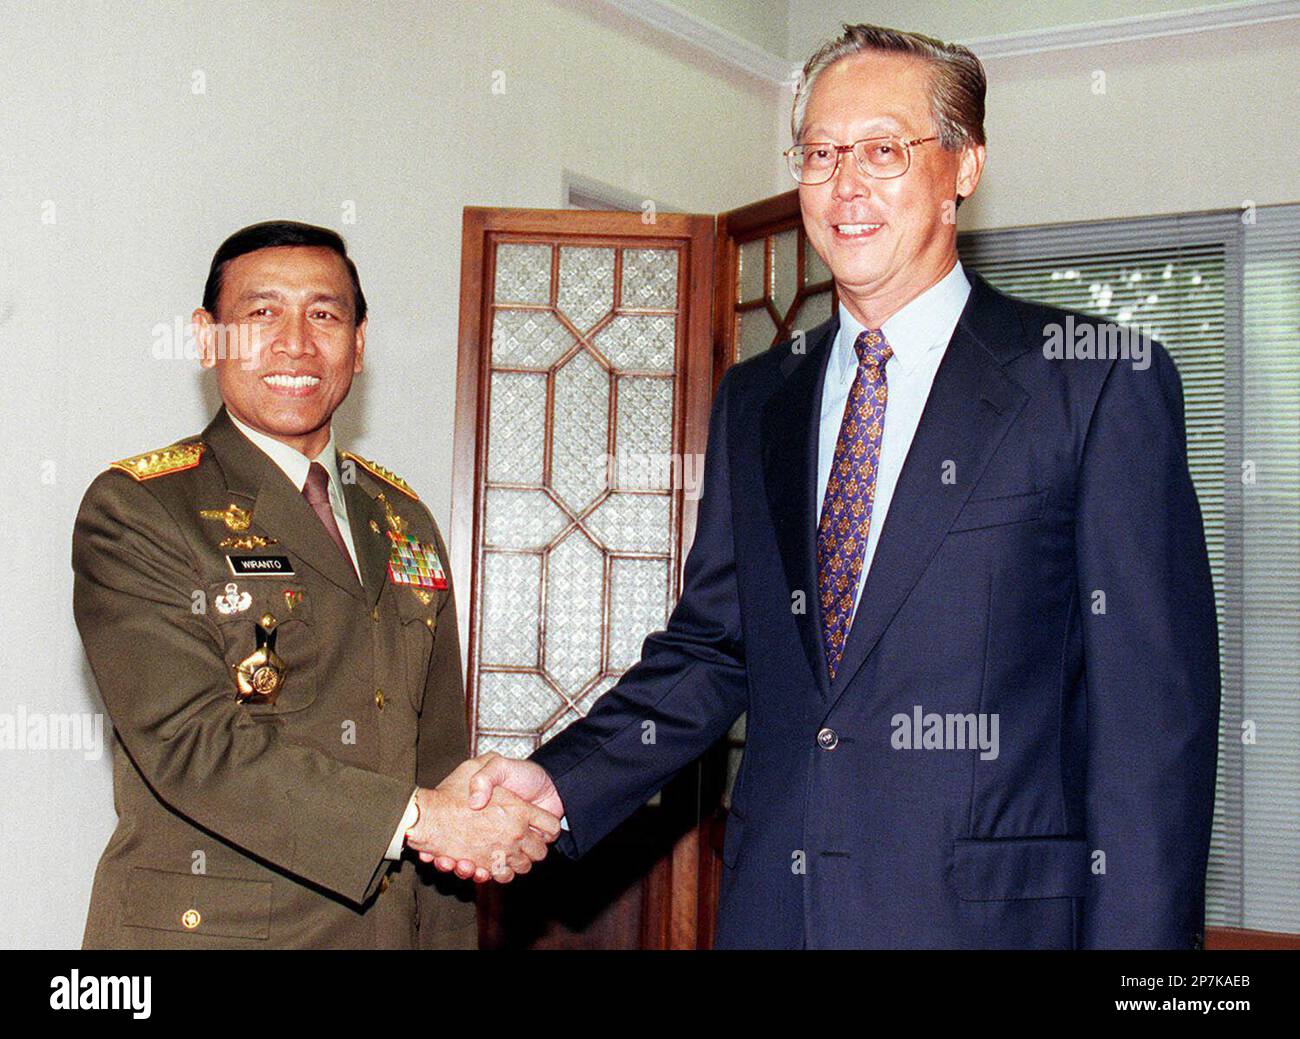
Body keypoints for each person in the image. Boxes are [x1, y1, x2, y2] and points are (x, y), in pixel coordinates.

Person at [454, 24, 1221, 949]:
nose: (844, 184)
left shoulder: (1093, 383)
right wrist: (564, 781)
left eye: (883, 150)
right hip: (776, 917)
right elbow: (714, 650)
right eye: (820, 152)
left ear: (964, 167)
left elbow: (1152, 736)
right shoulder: (760, 397)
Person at [73, 220, 559, 949]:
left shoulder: (403, 517)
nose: (296, 343)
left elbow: (437, 754)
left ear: (359, 346)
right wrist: (425, 818)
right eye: (261, 313)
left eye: (325, 314)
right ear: (207, 339)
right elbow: (193, 743)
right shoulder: (141, 509)